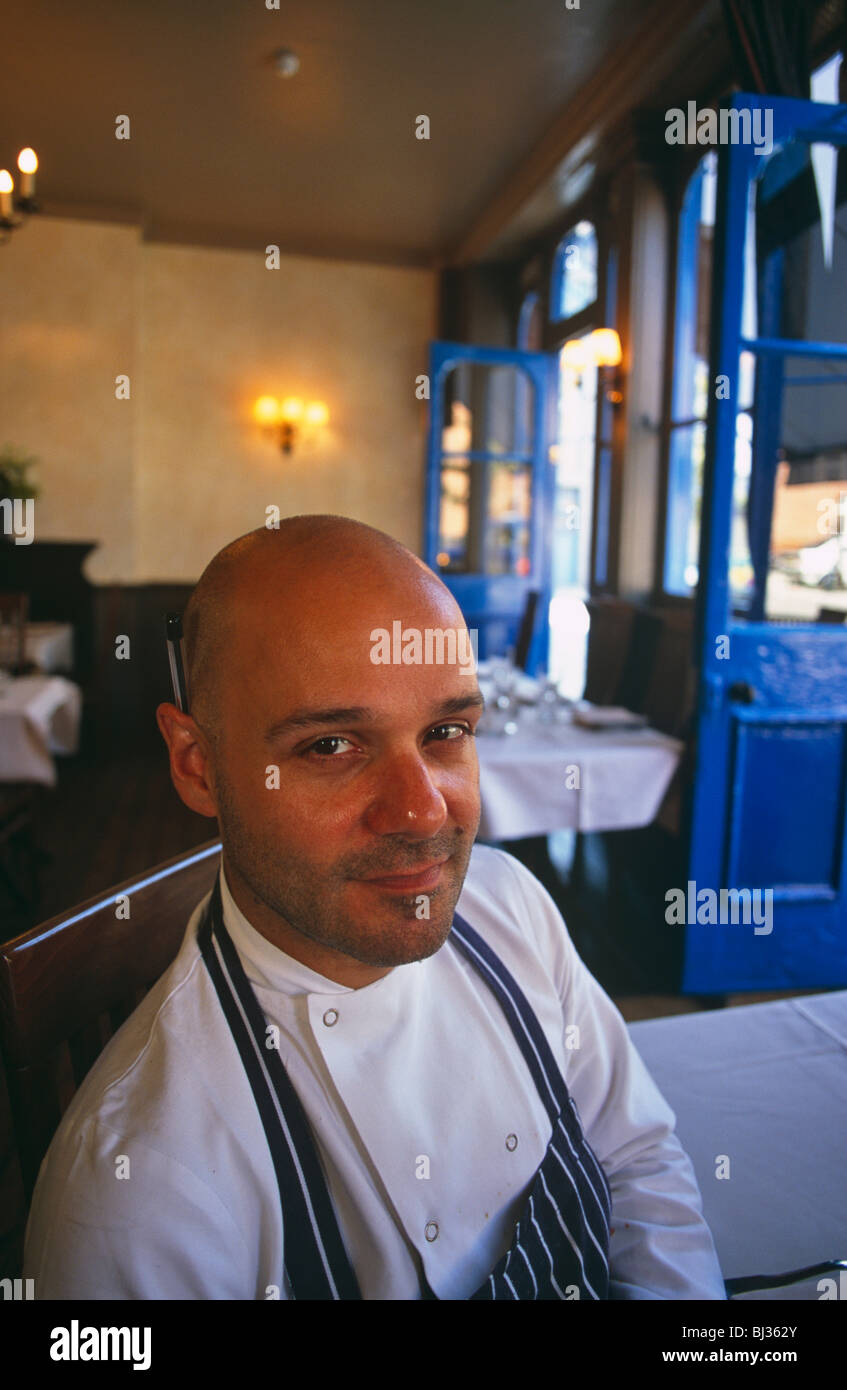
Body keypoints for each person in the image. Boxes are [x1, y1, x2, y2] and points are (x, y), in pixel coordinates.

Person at [24, 516, 726, 1300]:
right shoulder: (144, 1199)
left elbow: (634, 1156)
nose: (422, 813)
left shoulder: (508, 904)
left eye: (446, 731)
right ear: (198, 767)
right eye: (331, 746)